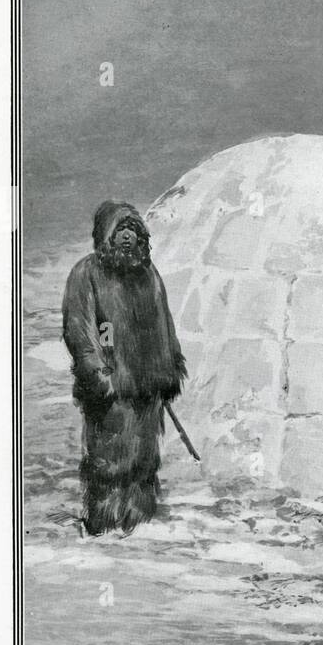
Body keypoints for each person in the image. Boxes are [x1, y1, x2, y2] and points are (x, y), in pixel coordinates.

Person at [62, 201, 187, 535]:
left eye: (133, 230)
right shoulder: (87, 273)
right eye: (120, 230)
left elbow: (165, 325)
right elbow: (81, 331)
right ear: (106, 235)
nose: (128, 237)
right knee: (110, 459)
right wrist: (100, 375)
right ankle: (103, 523)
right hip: (111, 388)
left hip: (148, 386)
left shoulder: (149, 274)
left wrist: (170, 368)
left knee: (144, 457)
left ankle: (138, 521)